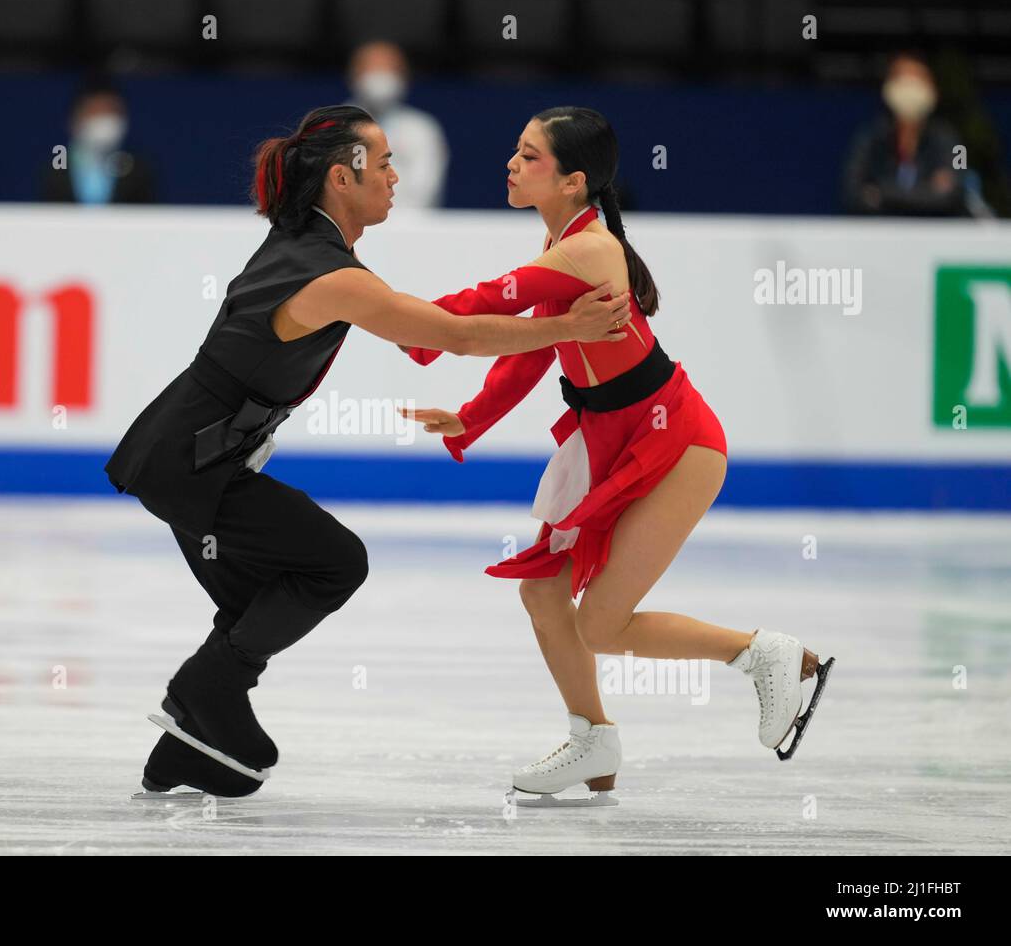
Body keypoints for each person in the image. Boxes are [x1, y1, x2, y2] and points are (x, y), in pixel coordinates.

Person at [105, 104, 626, 798]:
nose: (394, 177)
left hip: (196, 453)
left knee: (262, 597)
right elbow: (455, 337)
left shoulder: (313, 247)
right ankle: (202, 687)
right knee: (335, 562)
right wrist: (568, 325)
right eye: (382, 164)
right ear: (340, 179)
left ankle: (183, 751)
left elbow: (434, 332)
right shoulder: (330, 274)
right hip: (191, 460)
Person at [399, 107, 834, 806]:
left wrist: (402, 321)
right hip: (610, 438)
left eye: (529, 156)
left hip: (676, 444)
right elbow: (534, 347)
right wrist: (471, 416)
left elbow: (485, 314)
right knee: (543, 591)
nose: (511, 163)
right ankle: (593, 738)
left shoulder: (587, 251)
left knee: (600, 620)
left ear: (574, 181)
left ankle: (761, 653)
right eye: (516, 150)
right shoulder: (562, 238)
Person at [843, 52, 967, 216]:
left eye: (917, 79)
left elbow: (955, 192)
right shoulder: (869, 138)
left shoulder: (953, 141)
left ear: (932, 87)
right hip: (880, 234)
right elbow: (852, 194)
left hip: (935, 235)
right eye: (902, 79)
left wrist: (881, 192)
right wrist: (929, 190)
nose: (910, 88)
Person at [347, 41, 448, 208]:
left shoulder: (422, 128)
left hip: (407, 226)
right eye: (372, 69)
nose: (380, 77)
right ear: (354, 75)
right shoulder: (332, 126)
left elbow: (426, 187)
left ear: (404, 77)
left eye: (389, 69)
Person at [40, 80, 156, 204]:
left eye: (111, 112)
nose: (104, 120)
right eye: (95, 111)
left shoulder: (139, 170)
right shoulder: (56, 168)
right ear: (75, 119)